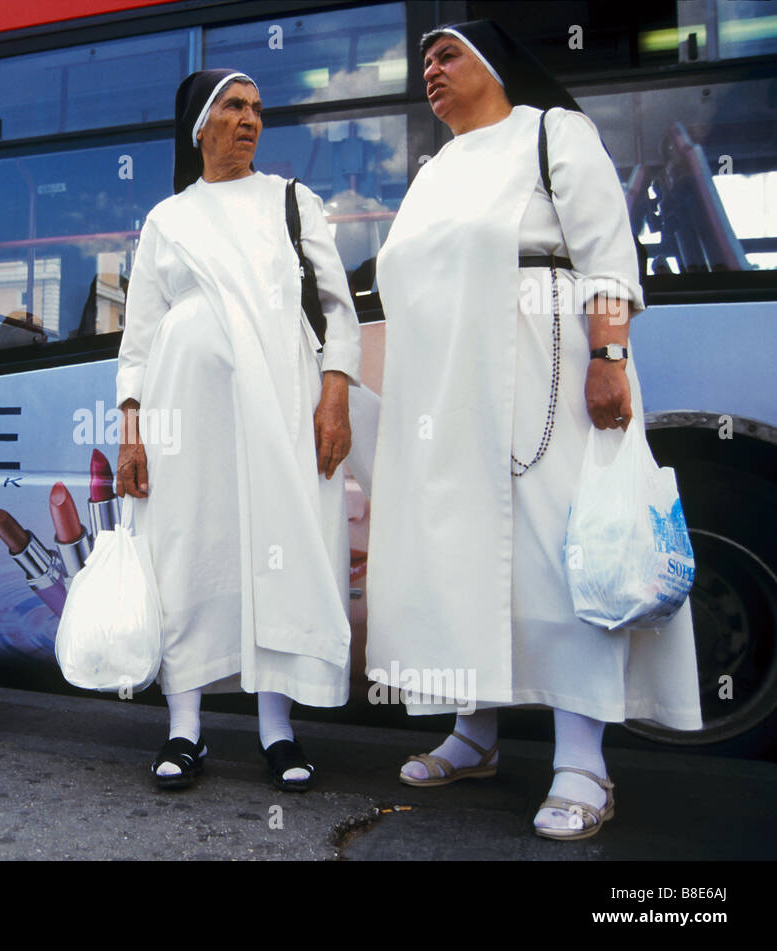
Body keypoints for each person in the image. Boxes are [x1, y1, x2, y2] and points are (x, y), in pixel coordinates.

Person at [367, 21, 702, 839]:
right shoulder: (436, 169)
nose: (430, 72)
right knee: (456, 557)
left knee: (558, 557)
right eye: (425, 63)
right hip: (447, 392)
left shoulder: (555, 133)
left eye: (446, 56)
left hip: (544, 369)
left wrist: (610, 353)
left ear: (493, 64)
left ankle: (583, 761)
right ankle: (473, 733)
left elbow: (607, 254)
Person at [116, 69, 363, 791]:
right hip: (181, 417)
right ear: (201, 126)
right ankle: (184, 728)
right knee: (189, 547)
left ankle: (277, 729)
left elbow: (335, 309)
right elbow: (138, 339)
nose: (251, 117)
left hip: (282, 404)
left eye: (257, 107)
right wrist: (132, 430)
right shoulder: (167, 218)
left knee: (278, 546)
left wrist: (335, 395)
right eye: (234, 106)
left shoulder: (293, 200)